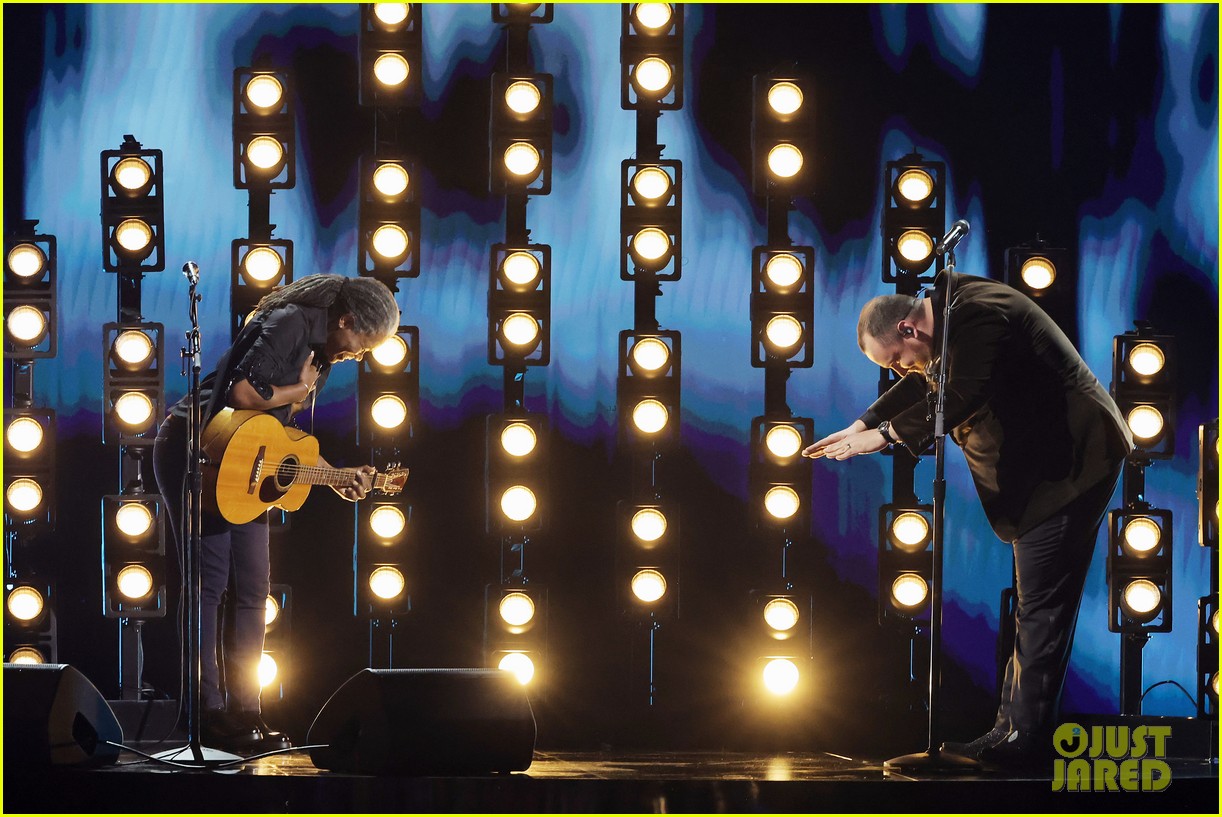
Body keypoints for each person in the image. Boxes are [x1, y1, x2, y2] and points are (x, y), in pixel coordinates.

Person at [803, 269, 1132, 767]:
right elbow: (926, 385)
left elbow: (961, 395)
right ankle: (1007, 733)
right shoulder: (948, 319)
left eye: (895, 360)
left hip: (1073, 464)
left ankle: (1024, 743)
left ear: (910, 330)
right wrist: (862, 423)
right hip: (1051, 467)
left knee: (1043, 605)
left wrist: (885, 436)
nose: (899, 371)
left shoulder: (977, 314)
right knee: (1033, 605)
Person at [152, 273, 399, 753]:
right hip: (199, 447)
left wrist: (337, 475)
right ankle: (204, 710)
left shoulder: (321, 353)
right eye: (362, 345)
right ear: (345, 320)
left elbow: (278, 435)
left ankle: (246, 710)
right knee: (208, 584)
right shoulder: (290, 322)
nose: (359, 356)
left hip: (247, 459)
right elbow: (243, 395)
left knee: (254, 588)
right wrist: (298, 391)